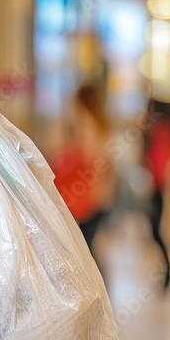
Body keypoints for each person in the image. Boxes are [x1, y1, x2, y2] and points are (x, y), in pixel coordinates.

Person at [52, 84, 116, 281]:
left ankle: (97, 290)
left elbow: (89, 157)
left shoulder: (85, 122)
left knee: (85, 248)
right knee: (90, 246)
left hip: (87, 197)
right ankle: (99, 290)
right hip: (101, 195)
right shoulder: (101, 122)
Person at [142, 99, 170, 292]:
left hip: (158, 184)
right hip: (159, 182)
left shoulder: (160, 129)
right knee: (154, 227)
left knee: (155, 228)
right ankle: (166, 270)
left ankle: (168, 269)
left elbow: (159, 158)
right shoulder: (166, 128)